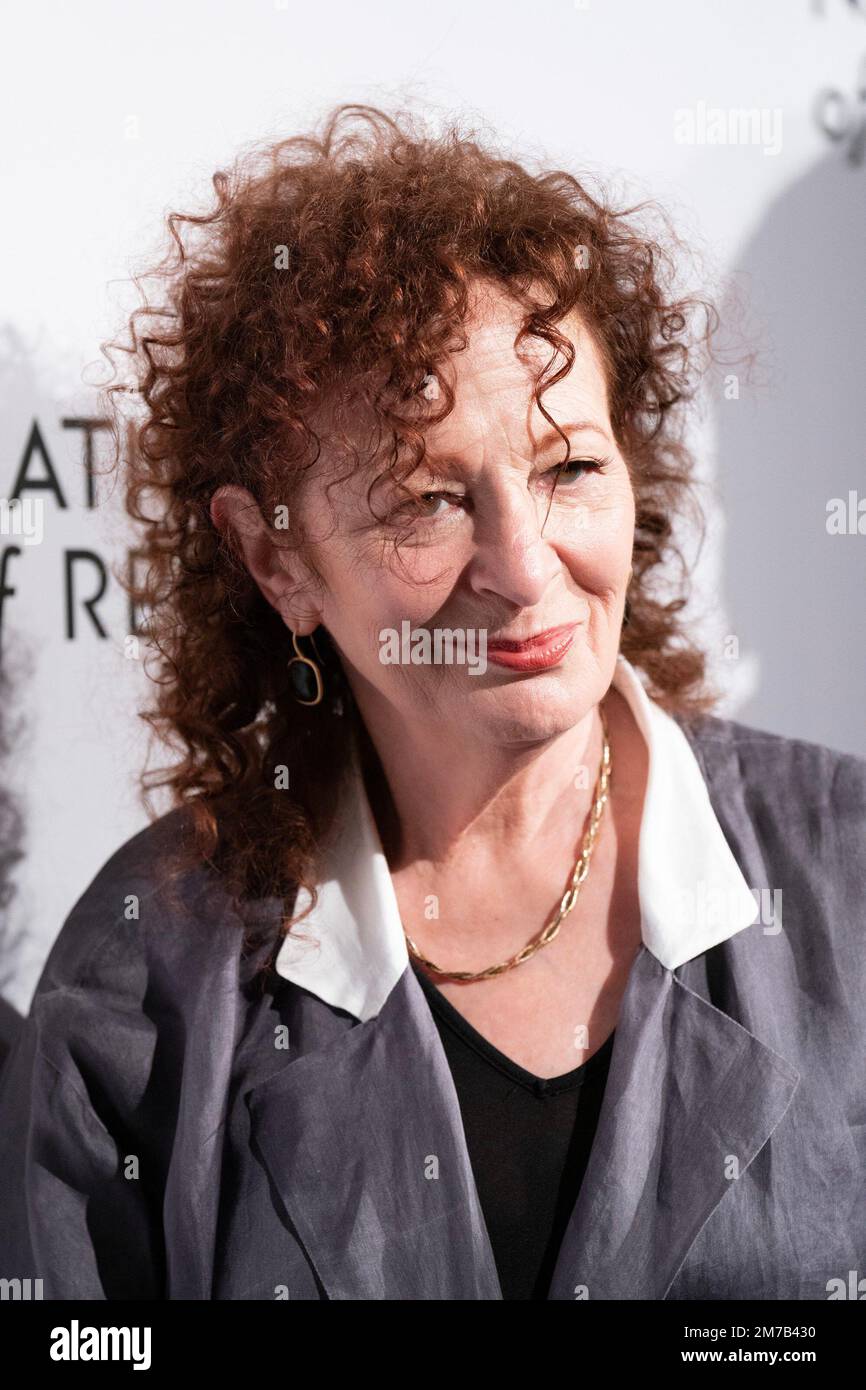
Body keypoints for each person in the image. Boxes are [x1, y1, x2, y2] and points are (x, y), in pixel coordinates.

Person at [0, 103, 863, 1301]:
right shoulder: (145, 984)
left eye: (568, 467)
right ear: (276, 560)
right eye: (425, 499)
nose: (522, 563)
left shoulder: (845, 875)